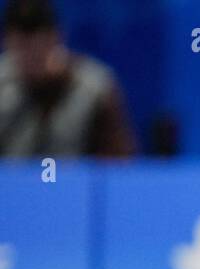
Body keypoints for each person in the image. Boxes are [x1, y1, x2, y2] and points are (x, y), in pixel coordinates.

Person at [0, 0, 136, 158]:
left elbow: (119, 163)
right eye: (21, 49)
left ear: (57, 38)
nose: (31, 58)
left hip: (74, 181)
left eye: (39, 50)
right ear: (7, 42)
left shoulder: (96, 88)